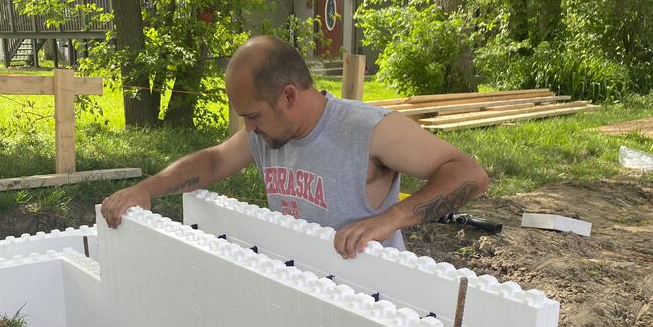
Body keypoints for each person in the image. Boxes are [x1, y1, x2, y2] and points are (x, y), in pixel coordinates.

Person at [100, 35, 489, 259]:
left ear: (288, 96)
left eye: (252, 116)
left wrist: (392, 219)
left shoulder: (368, 130)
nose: (248, 128)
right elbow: (216, 160)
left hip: (372, 292)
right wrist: (146, 189)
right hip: (305, 280)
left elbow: (468, 173)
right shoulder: (267, 132)